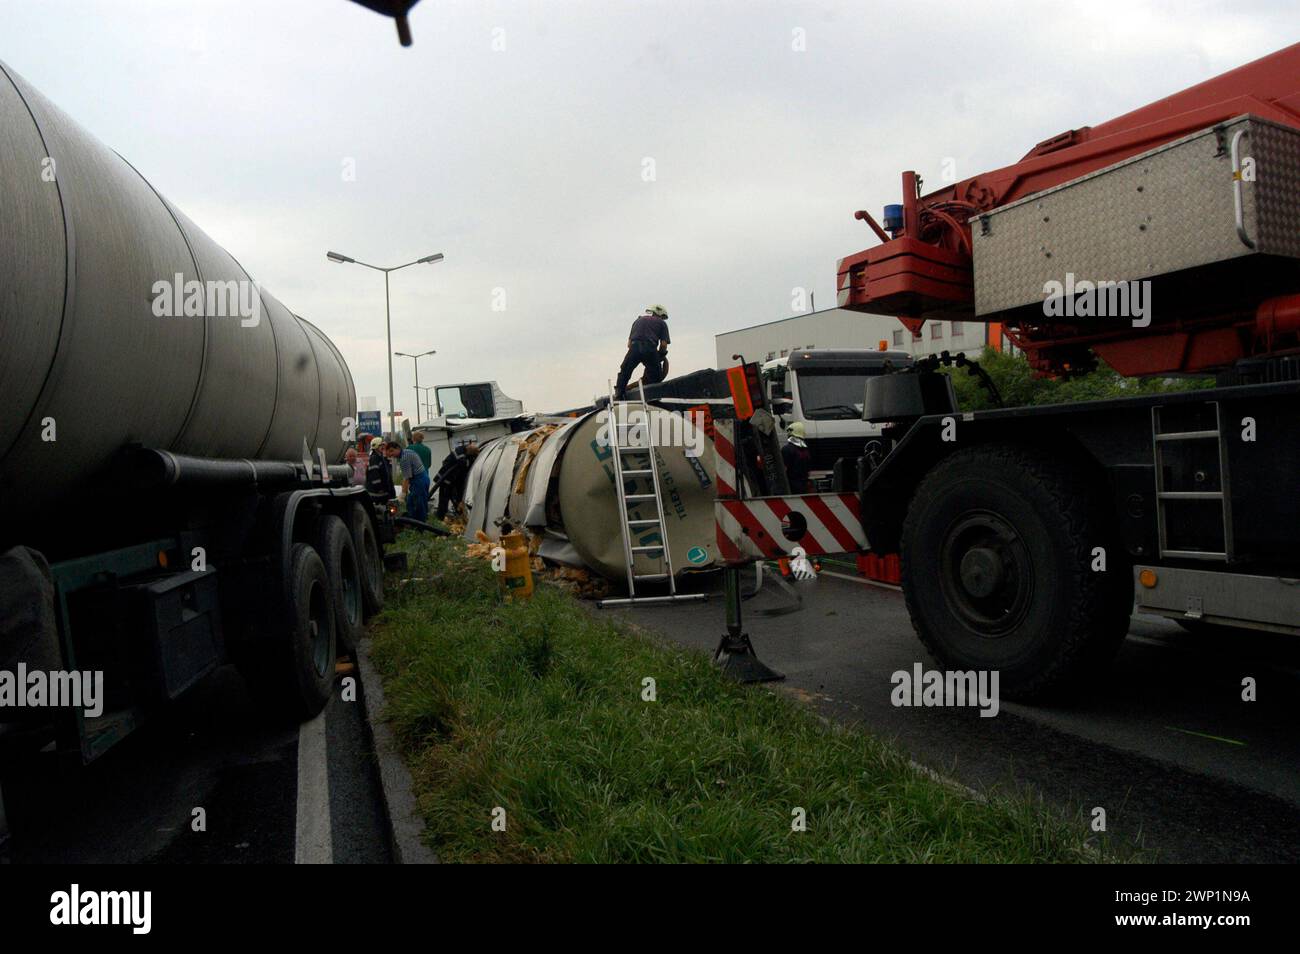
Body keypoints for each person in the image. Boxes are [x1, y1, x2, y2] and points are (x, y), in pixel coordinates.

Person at [614, 304, 670, 400]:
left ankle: (619, 395)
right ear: (661, 315)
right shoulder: (662, 323)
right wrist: (660, 356)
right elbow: (664, 345)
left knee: (625, 371)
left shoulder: (638, 321)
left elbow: (629, 344)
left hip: (634, 347)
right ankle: (654, 397)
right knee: (656, 375)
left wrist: (635, 352)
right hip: (650, 348)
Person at [431, 441, 480, 521]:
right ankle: (440, 518)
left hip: (456, 481)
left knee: (458, 499)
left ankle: (461, 516)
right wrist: (469, 460)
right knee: (444, 500)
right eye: (472, 453)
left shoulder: (469, 455)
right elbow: (461, 461)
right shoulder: (459, 451)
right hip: (446, 480)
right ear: (469, 450)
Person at [385, 441, 431, 522]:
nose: (392, 454)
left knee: (417, 504)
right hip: (423, 477)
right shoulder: (407, 451)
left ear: (398, 448)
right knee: (418, 501)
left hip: (419, 481)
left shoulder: (404, 458)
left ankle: (419, 524)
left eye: (392, 451)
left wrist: (402, 494)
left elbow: (406, 478)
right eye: (390, 454)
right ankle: (422, 520)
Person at [782, 421, 813, 493]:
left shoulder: (786, 449)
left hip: (791, 486)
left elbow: (783, 469)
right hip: (804, 484)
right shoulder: (806, 450)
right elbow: (809, 468)